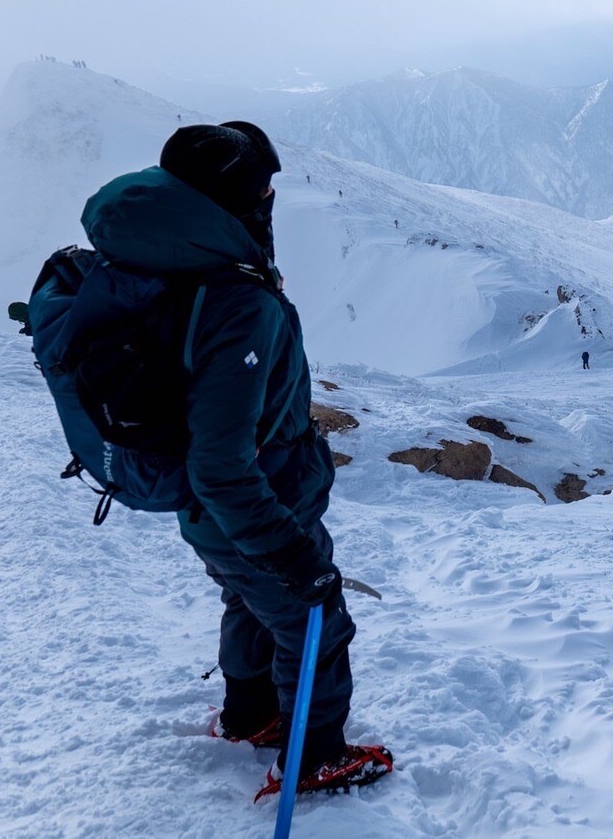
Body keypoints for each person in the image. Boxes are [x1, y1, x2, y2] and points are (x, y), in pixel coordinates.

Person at [79, 122, 391, 797]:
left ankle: (252, 715)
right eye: (263, 187)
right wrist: (289, 550)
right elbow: (221, 460)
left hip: (216, 513)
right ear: (232, 200)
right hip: (252, 502)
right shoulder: (234, 301)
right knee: (314, 618)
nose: (272, 198)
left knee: (250, 602)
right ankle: (314, 758)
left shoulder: (178, 265)